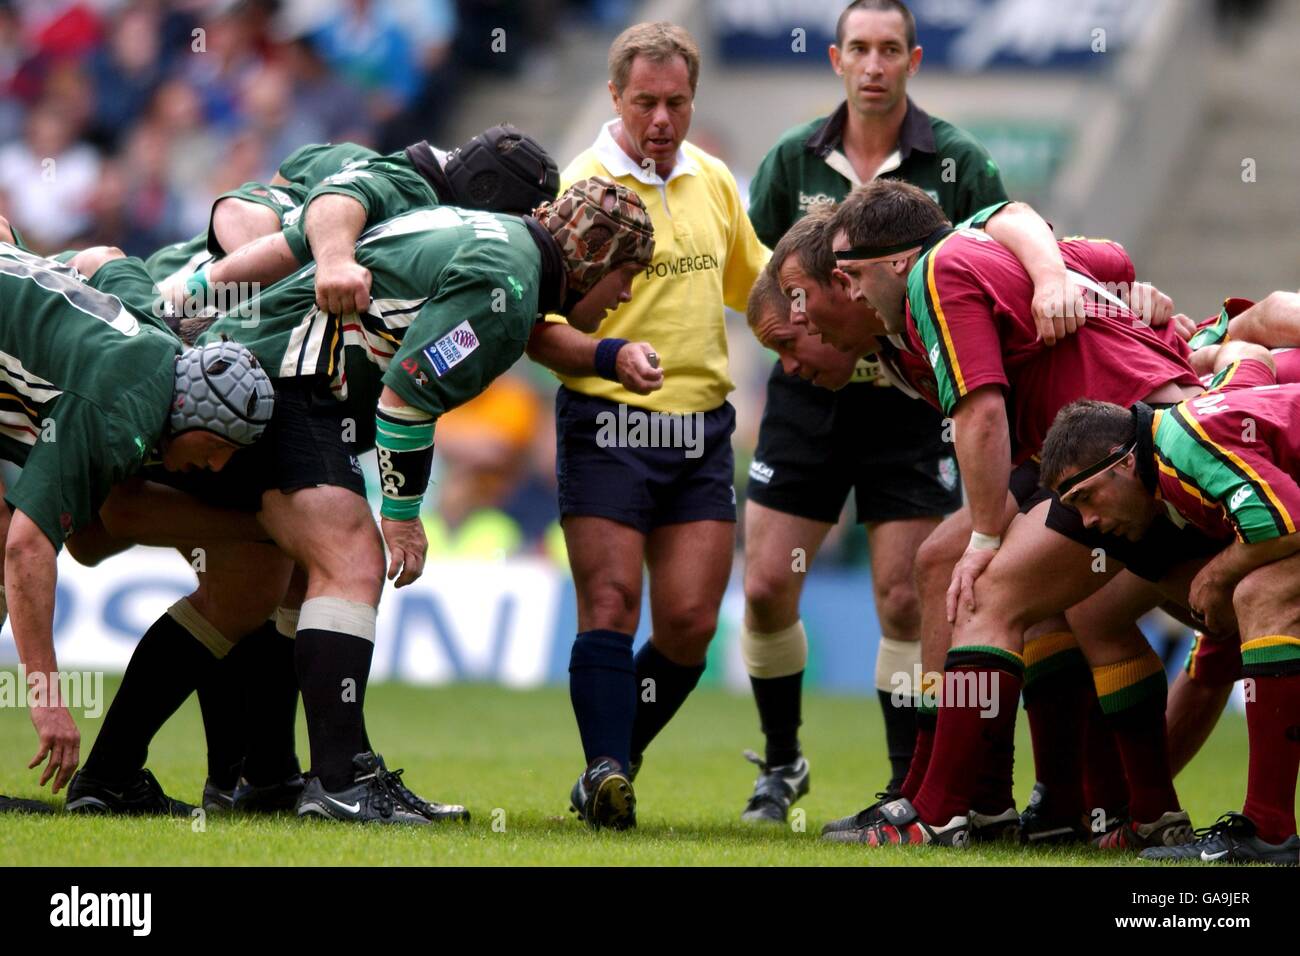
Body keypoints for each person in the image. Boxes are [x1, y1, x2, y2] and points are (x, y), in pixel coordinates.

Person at [68, 178, 657, 825]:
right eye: (627, 273)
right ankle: (345, 780)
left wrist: (608, 353)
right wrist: (402, 518)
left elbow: (516, 330)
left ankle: (114, 776)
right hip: (290, 383)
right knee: (351, 560)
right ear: (595, 251)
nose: (627, 293)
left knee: (243, 590)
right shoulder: (510, 277)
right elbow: (407, 396)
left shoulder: (499, 251)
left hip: (257, 365)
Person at [822, 180, 1211, 849]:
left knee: (988, 590)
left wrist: (982, 536)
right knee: (1134, 612)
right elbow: (1111, 258)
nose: (849, 292)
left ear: (895, 261)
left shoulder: (939, 270)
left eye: (851, 275)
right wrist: (1121, 294)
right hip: (1155, 439)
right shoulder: (963, 270)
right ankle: (1138, 813)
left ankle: (942, 810)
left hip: (1132, 450)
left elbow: (981, 412)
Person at [739, 0, 1010, 822]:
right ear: (836, 59)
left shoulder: (959, 161)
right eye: (859, 47)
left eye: (890, 48)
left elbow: (988, 261)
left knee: (904, 593)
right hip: (809, 396)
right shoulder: (793, 159)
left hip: (912, 402)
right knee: (760, 587)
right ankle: (782, 763)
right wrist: (783, 357)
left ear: (914, 59)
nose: (874, 64)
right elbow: (761, 283)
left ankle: (904, 784)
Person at [524, 21, 768, 830]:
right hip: (610, 423)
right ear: (614, 97)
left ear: (693, 99)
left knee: (693, 625)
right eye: (645, 103)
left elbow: (754, 289)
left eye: (676, 103)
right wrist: (610, 353)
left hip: (701, 431)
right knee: (611, 599)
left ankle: (614, 761)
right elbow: (539, 330)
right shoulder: (577, 187)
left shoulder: (714, 181)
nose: (661, 120)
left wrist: (818, 323)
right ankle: (605, 775)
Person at [0, 242, 273, 799]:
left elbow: (105, 255)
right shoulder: (120, 412)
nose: (216, 466)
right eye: (219, 447)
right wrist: (48, 699)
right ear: (190, 411)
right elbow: (27, 549)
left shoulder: (159, 341)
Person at [1040, 362, 1300, 865]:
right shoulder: (1184, 439)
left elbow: (1287, 525)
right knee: (1226, 637)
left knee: (1259, 595)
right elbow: (1250, 365)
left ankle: (1267, 831)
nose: (1089, 520)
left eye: (1086, 498)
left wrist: (1217, 573)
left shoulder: (1184, 442)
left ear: (1123, 463)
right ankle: (1148, 811)